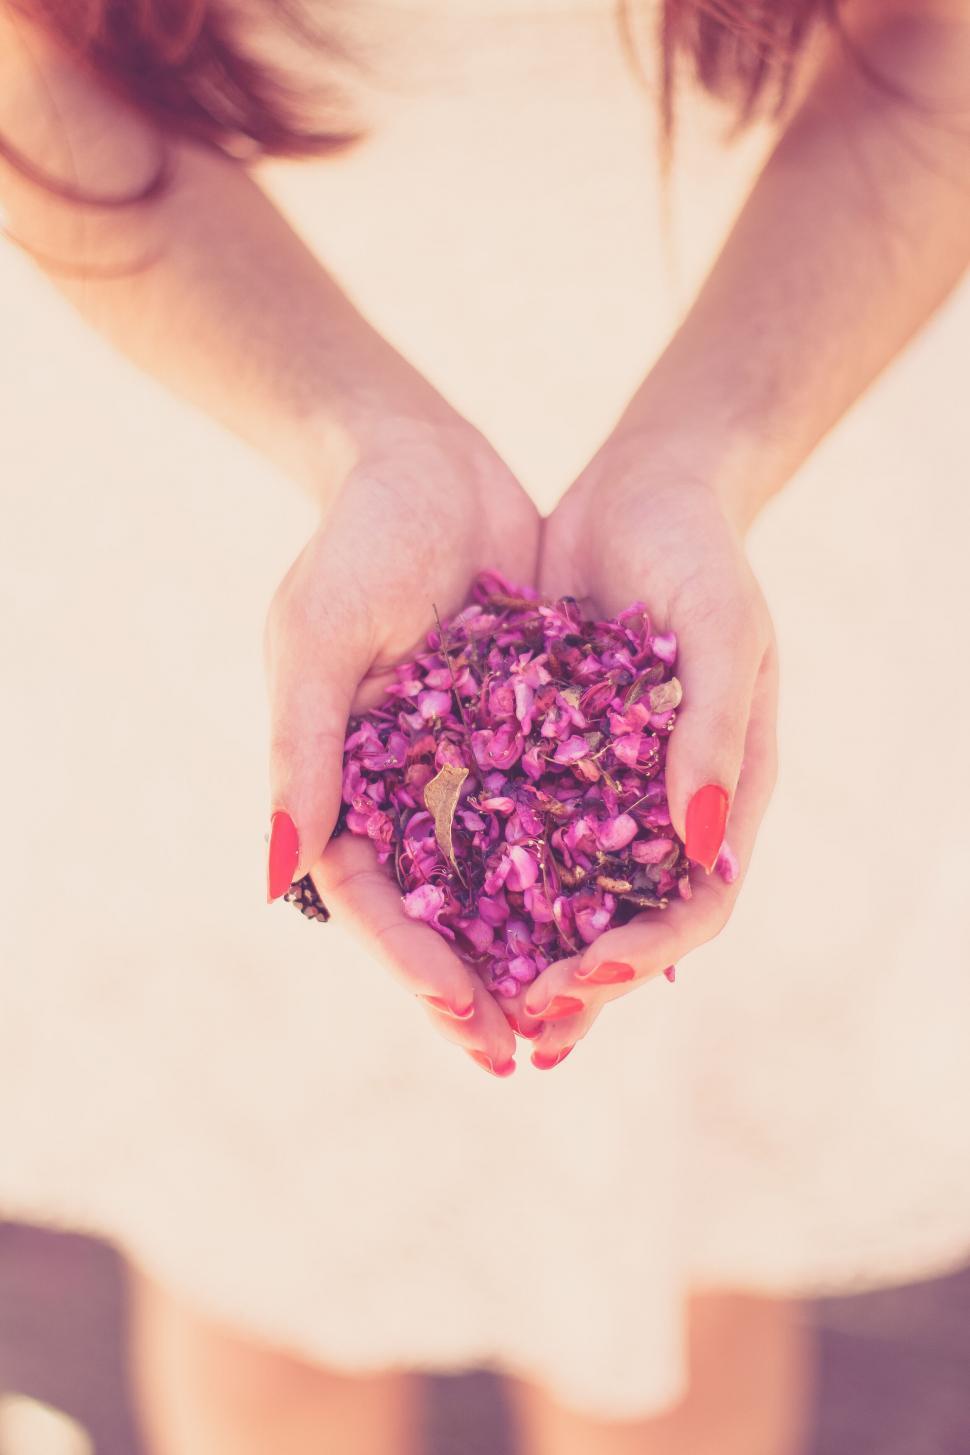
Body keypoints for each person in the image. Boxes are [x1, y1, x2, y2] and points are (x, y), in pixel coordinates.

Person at [1, 0, 968, 1451]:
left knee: (674, 1276)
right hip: (222, 362)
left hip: (767, 334)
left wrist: (702, 453)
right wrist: (355, 439)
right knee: (266, 1256)